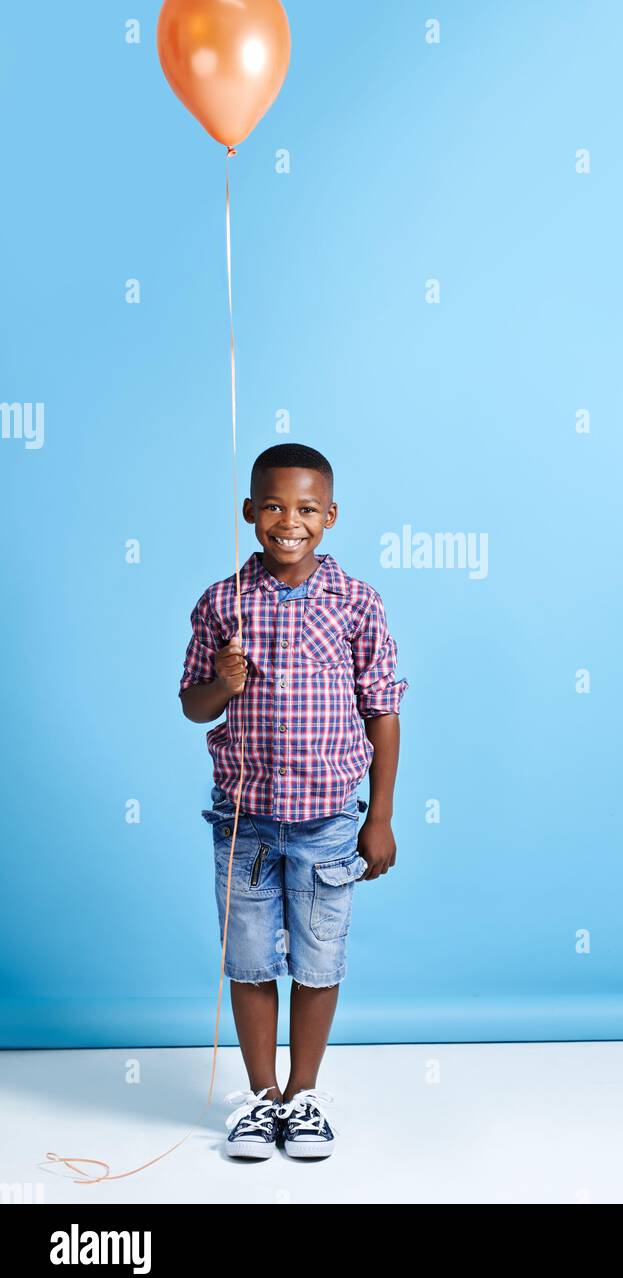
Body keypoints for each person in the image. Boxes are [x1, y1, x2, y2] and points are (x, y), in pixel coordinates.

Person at [179, 442, 408, 1160]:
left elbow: (383, 709)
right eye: (273, 506)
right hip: (244, 820)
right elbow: (192, 705)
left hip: (329, 821)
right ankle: (259, 1099)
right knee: (249, 963)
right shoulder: (223, 602)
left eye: (306, 508)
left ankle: (303, 1096)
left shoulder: (356, 602)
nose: (289, 521)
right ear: (249, 512)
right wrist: (223, 682)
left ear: (330, 516)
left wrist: (379, 816)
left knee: (317, 961)